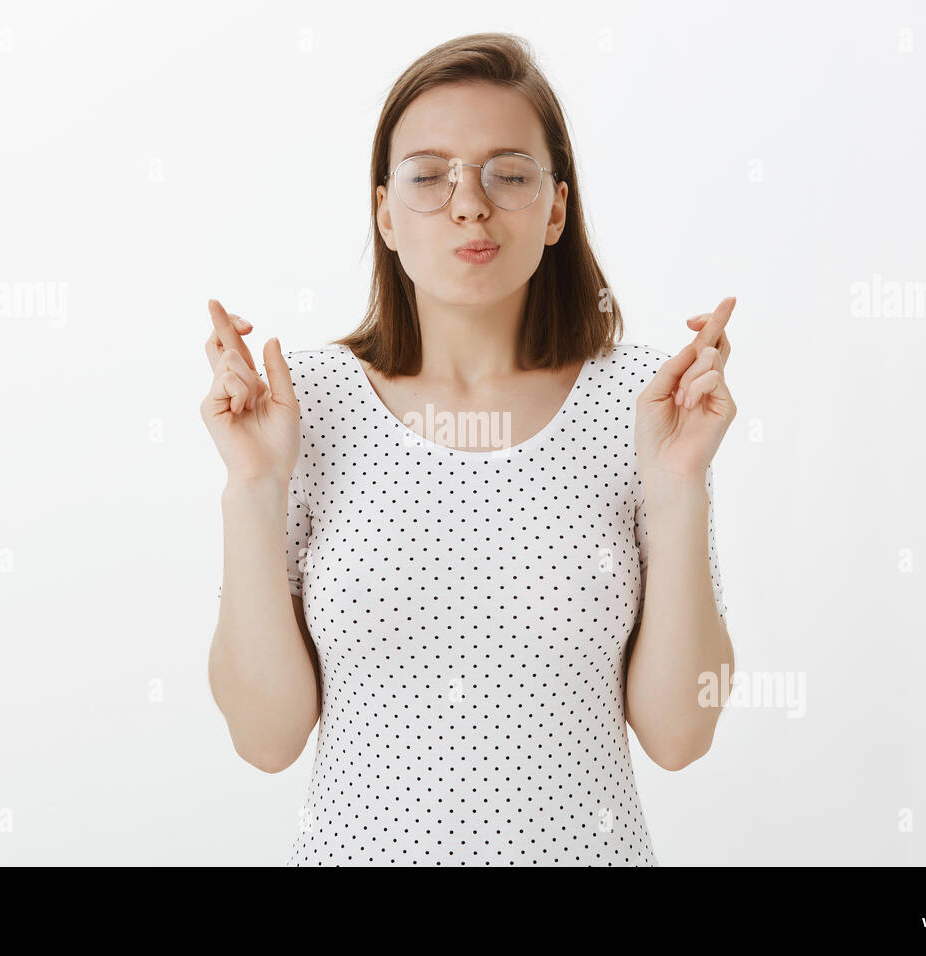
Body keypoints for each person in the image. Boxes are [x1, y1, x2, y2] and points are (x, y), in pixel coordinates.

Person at [201, 32, 737, 866]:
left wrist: (679, 488)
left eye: (508, 173)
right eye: (428, 176)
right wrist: (253, 487)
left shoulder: (644, 406)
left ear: (555, 207)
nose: (469, 205)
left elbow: (680, 735)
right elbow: (266, 741)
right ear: (384, 212)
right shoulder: (302, 409)